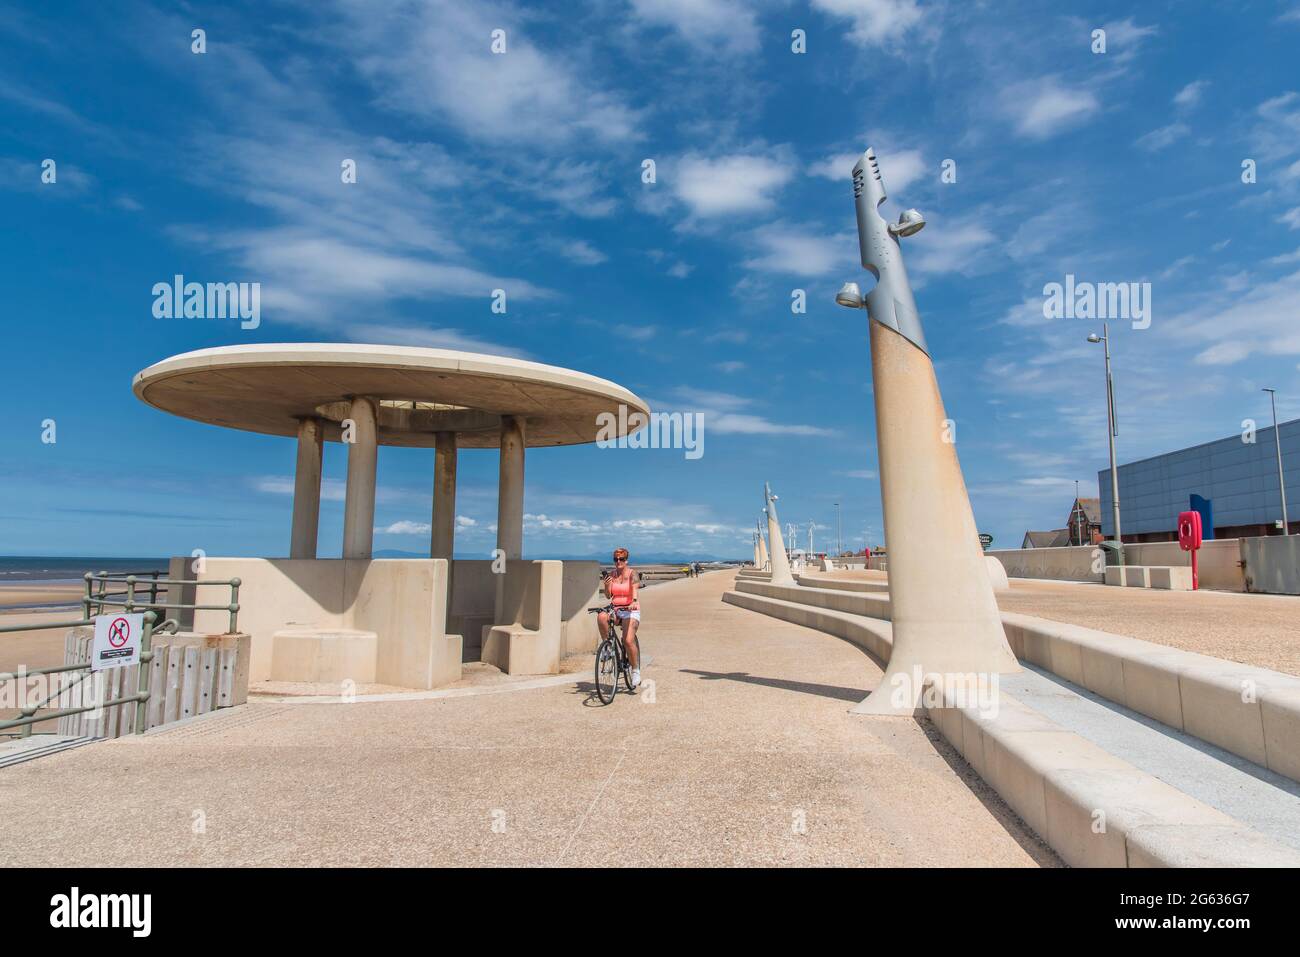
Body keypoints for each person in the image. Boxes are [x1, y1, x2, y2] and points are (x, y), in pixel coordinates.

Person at [599, 547, 641, 689]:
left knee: (628, 640)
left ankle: (635, 670)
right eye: (616, 559)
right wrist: (606, 585)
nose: (618, 561)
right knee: (601, 616)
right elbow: (608, 596)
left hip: (630, 610)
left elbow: (635, 588)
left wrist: (634, 601)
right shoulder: (611, 575)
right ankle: (607, 648)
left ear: (626, 560)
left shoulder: (632, 574)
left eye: (621, 559)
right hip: (616, 608)